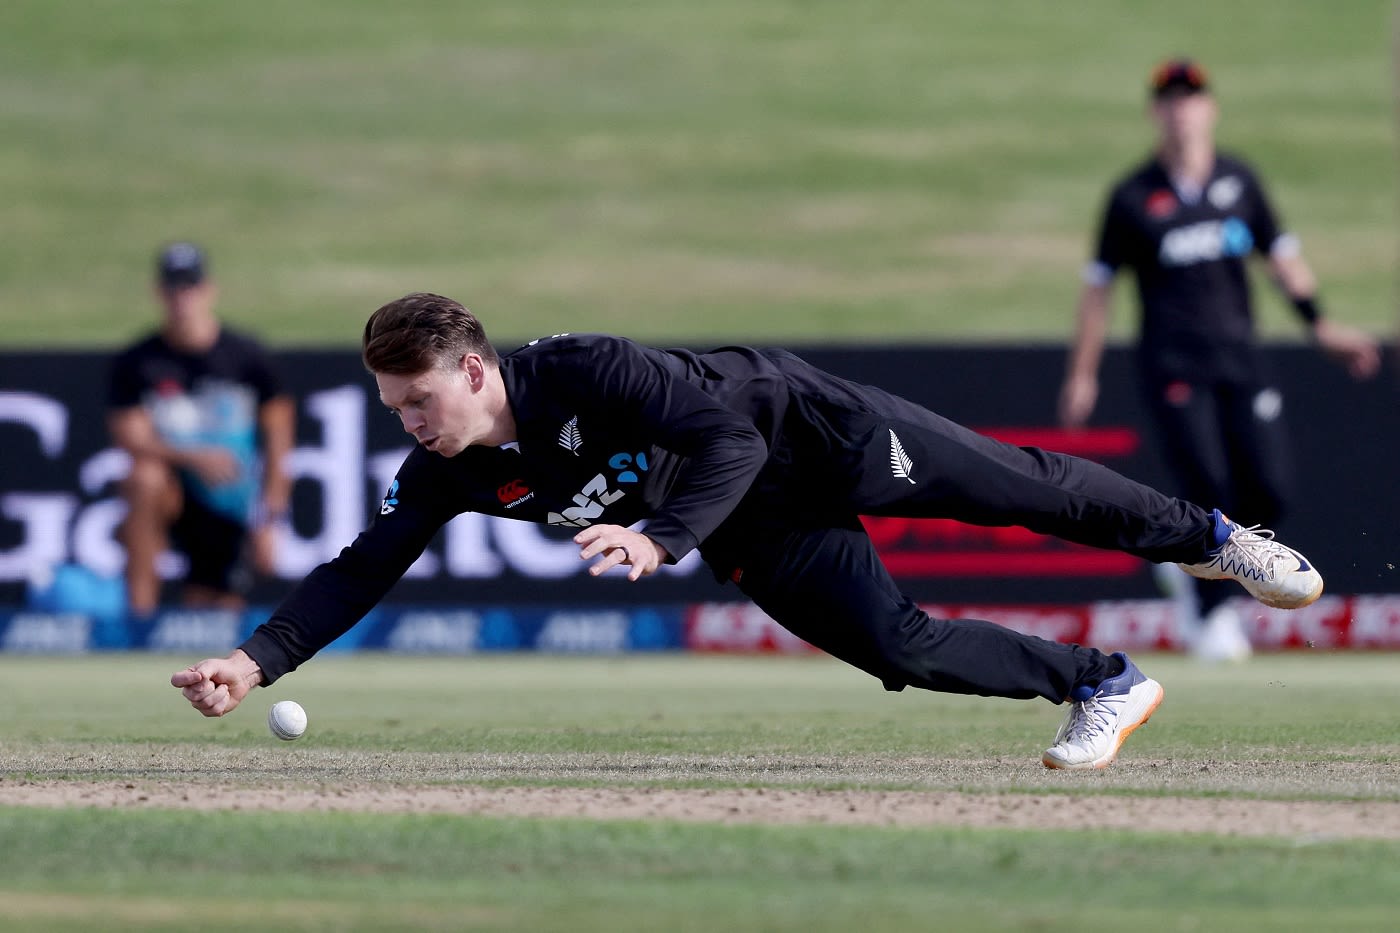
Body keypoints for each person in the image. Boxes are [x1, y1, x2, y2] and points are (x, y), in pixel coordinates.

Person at [172, 293, 1329, 769]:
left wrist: (657, 540)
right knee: (899, 645)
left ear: (473, 370)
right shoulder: (440, 474)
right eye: (394, 410)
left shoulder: (582, 370)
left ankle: (1216, 538)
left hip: (802, 431)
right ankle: (1102, 680)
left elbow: (723, 441)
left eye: (420, 400)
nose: (410, 424)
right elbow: (359, 568)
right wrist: (254, 656)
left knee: (1017, 491)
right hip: (750, 529)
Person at [1059, 58, 1380, 662]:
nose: (1182, 111)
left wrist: (1321, 325)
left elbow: (1282, 257)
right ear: (1156, 111)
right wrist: (1083, 372)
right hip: (1174, 364)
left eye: (1192, 98)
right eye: (1170, 100)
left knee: (1269, 489)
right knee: (1207, 483)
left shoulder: (1239, 181)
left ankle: (1197, 579)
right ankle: (1207, 608)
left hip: (1241, 359)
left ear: (1210, 108)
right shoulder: (1133, 197)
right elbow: (1097, 288)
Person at [108, 242, 296, 617]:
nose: (182, 298)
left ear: (208, 290)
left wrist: (271, 515)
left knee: (214, 611)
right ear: (159, 292)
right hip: (173, 490)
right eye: (174, 288)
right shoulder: (139, 360)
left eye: (190, 286)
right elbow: (130, 435)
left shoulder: (246, 356)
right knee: (144, 479)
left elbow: (278, 433)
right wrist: (193, 459)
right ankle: (138, 617)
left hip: (230, 491)